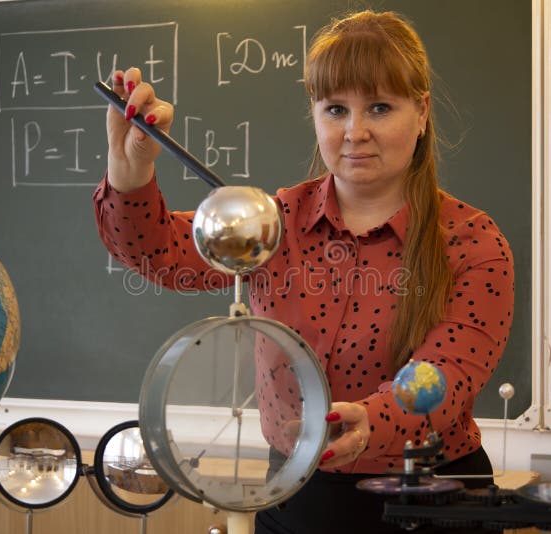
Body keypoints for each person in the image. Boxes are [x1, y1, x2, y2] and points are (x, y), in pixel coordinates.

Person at [93, 9, 514, 533]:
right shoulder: (272, 223)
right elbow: (158, 253)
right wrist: (130, 172)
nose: (355, 131)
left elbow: (446, 373)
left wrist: (376, 420)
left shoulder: (471, 241)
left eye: (380, 107)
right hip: (296, 499)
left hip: (435, 502)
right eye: (335, 109)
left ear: (422, 112)